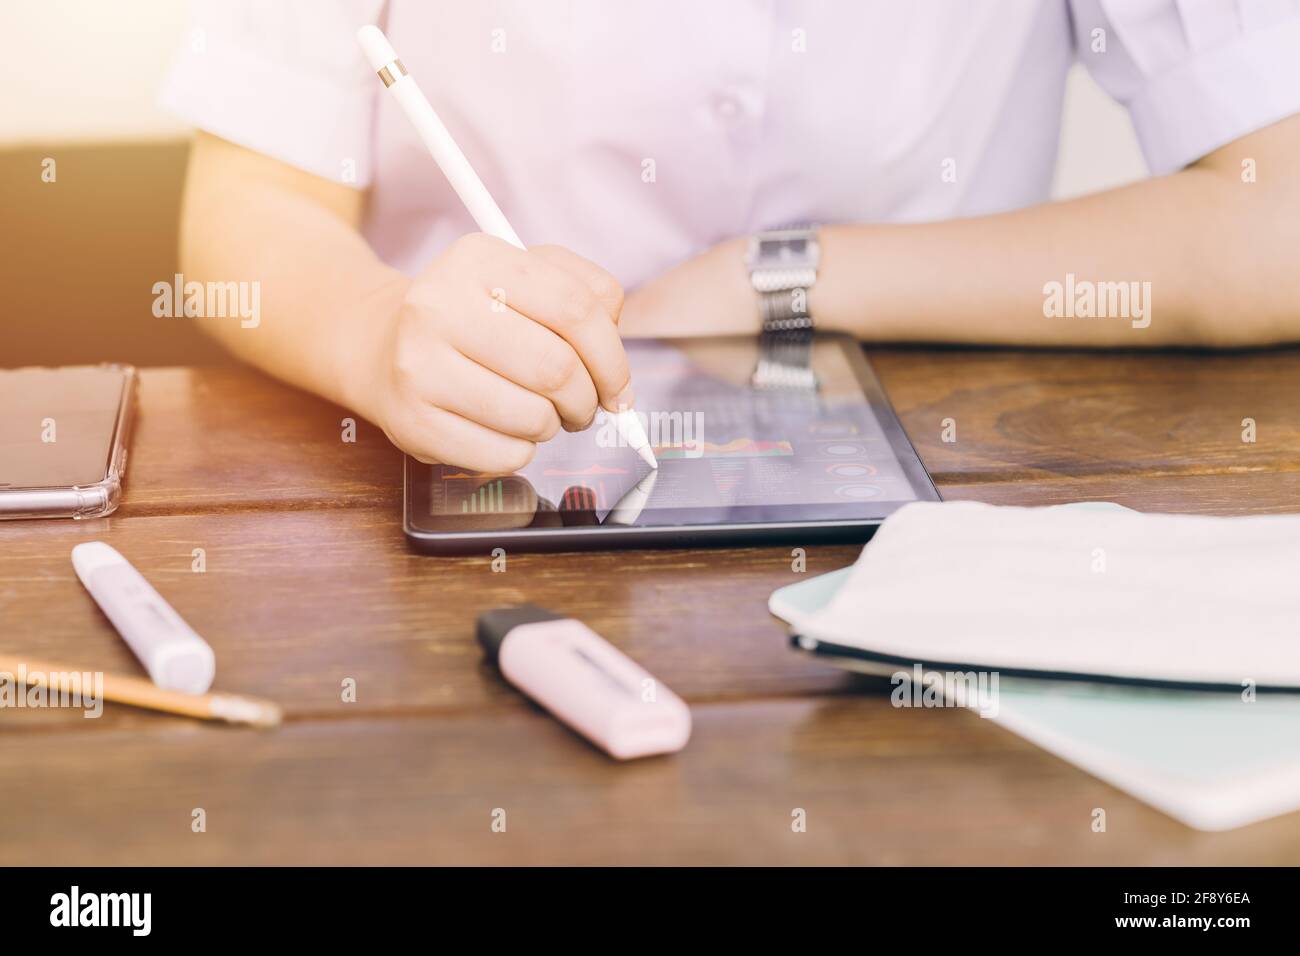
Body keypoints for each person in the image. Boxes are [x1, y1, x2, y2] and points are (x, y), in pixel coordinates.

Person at [166, 1, 1300, 473]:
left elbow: (1276, 213)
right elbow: (247, 205)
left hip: (937, 477)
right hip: (462, 458)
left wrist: (786, 280)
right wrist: (377, 336)